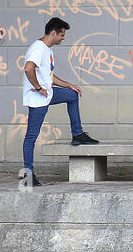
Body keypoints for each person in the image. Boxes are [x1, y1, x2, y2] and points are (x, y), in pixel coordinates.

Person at [21, 17, 99, 185]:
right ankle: (28, 175)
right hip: (38, 99)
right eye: (62, 35)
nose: (63, 38)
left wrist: (69, 85)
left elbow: (48, 76)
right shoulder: (38, 48)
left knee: (72, 95)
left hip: (47, 93)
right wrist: (37, 87)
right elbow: (28, 68)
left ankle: (77, 134)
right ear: (54, 33)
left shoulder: (47, 49)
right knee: (31, 137)